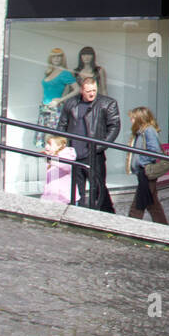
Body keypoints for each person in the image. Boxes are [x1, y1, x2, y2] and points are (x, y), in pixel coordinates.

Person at [55, 75, 120, 213]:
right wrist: (62, 147)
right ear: (81, 91)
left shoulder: (107, 103)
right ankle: (78, 215)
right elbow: (62, 125)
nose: (92, 93)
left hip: (93, 154)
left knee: (98, 188)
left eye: (94, 90)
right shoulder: (71, 103)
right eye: (88, 91)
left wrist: (100, 146)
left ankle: (108, 215)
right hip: (74, 153)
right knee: (77, 189)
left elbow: (114, 126)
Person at [126, 107, 168, 224]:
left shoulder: (149, 131)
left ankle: (130, 226)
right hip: (143, 172)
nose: (131, 121)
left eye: (133, 118)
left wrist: (142, 163)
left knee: (139, 203)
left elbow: (154, 151)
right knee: (152, 203)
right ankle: (163, 227)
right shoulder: (141, 132)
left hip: (146, 172)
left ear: (140, 119)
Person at [38, 49, 76, 149]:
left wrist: (61, 100)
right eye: (54, 56)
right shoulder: (49, 72)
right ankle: (48, 164)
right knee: (45, 140)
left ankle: (55, 163)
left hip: (55, 109)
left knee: (52, 139)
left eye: (59, 56)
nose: (56, 59)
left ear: (62, 58)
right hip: (44, 108)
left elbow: (77, 89)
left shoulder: (65, 73)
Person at [41, 135, 76, 204]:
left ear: (60, 145)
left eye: (49, 144)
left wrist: (49, 160)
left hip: (64, 198)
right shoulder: (52, 156)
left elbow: (66, 165)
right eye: (46, 144)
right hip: (51, 196)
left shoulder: (67, 154)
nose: (46, 147)